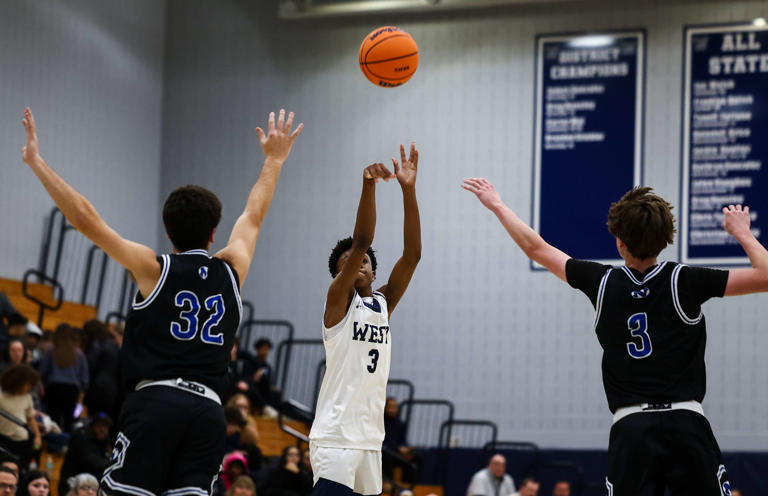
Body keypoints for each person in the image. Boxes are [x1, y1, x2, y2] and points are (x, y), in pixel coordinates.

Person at [20, 106, 303, 496]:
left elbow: (86, 219)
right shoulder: (232, 267)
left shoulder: (153, 268)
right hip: (207, 412)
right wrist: (274, 159)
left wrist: (37, 162)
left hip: (156, 401)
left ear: (168, 231)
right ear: (213, 231)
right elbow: (254, 214)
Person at [463, 180, 768, 494]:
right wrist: (742, 232)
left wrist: (498, 205)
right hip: (686, 424)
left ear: (619, 242)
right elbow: (766, 275)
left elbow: (535, 248)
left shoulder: (602, 282)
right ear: (666, 239)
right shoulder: (685, 281)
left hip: (631, 427)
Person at [309, 143, 421, 495]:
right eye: (348, 262)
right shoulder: (337, 302)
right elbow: (361, 240)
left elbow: (413, 255)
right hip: (336, 436)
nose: (358, 262)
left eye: (365, 261)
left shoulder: (383, 303)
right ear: (337, 276)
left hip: (370, 440)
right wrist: (368, 184)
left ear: (374, 272)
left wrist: (408, 190)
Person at [38, 324, 89, 433]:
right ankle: (67, 443)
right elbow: (84, 379)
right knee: (69, 420)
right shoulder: (79, 354)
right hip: (72, 391)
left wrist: (43, 386)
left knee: (53, 419)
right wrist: (81, 395)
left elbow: (43, 372)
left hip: (54, 388)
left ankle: (55, 443)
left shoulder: (51, 351)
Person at [58, 414, 112, 496]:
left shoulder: (103, 440)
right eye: (99, 426)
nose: (103, 430)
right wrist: (113, 465)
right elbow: (93, 462)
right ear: (92, 426)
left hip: (89, 484)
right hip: (73, 483)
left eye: (106, 427)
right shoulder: (81, 437)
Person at [0, 365, 42, 469]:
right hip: (4, 441)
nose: (29, 387)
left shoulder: (27, 397)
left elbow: (30, 418)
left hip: (23, 441)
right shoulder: (1, 396)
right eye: (27, 384)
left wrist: (37, 436)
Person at [81, 320, 119, 421]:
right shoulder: (113, 344)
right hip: (112, 389)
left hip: (96, 389)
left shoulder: (95, 344)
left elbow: (90, 365)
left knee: (94, 419)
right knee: (105, 420)